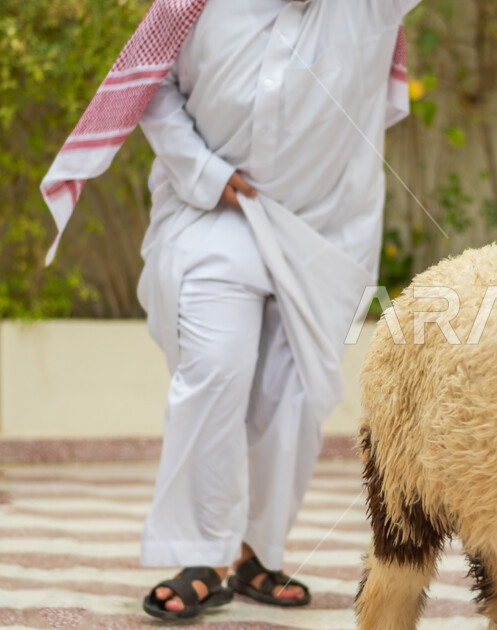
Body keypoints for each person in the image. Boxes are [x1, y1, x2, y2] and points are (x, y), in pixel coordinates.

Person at [41, 0, 421, 619]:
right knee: (216, 367)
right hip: (213, 214)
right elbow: (155, 84)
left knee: (295, 395)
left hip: (326, 231)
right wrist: (202, 170)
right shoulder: (197, 7)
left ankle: (252, 553)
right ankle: (203, 557)